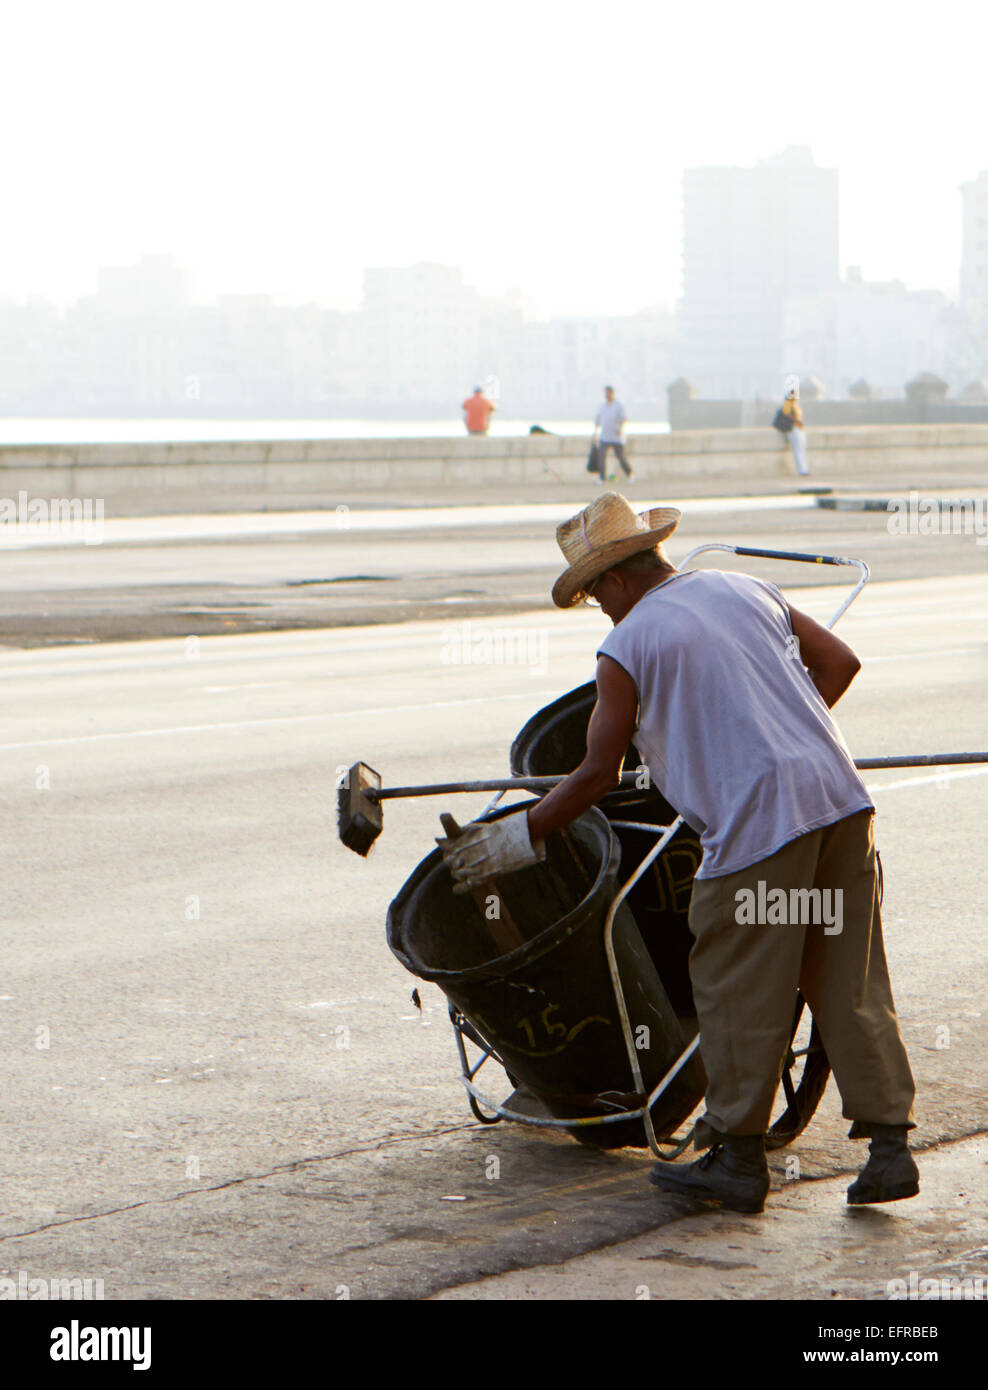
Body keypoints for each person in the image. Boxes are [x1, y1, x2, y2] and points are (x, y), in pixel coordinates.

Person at [439, 491, 918, 1215]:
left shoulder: (626, 645)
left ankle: (735, 1158)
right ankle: (890, 1148)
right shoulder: (746, 588)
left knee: (735, 987)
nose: (599, 607)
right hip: (841, 807)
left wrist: (521, 834)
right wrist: (775, 736)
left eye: (596, 591)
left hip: (760, 831)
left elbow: (599, 771)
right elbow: (840, 663)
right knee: (844, 976)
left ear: (617, 578)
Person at [592, 386, 634, 483]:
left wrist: (620, 428)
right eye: (606, 393)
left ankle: (630, 474)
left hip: (616, 438)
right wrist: (595, 434)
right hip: (604, 437)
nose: (607, 395)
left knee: (621, 458)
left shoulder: (618, 406)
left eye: (609, 393)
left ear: (612, 394)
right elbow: (598, 421)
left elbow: (624, 418)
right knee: (601, 458)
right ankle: (602, 478)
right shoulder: (602, 406)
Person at [780, 382, 810, 477]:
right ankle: (802, 471)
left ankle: (805, 470)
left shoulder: (794, 403)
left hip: (799, 428)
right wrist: (795, 420)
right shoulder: (788, 403)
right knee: (798, 451)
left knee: (802, 449)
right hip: (794, 429)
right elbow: (786, 414)